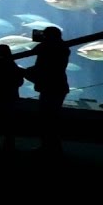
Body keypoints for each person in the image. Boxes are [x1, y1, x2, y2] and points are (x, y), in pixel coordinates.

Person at [25, 26, 70, 156]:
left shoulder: (47, 47)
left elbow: (34, 52)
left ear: (49, 36)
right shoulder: (63, 47)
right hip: (59, 86)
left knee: (46, 118)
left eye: (44, 34)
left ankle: (47, 147)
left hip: (50, 86)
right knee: (52, 118)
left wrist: (42, 42)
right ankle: (54, 147)